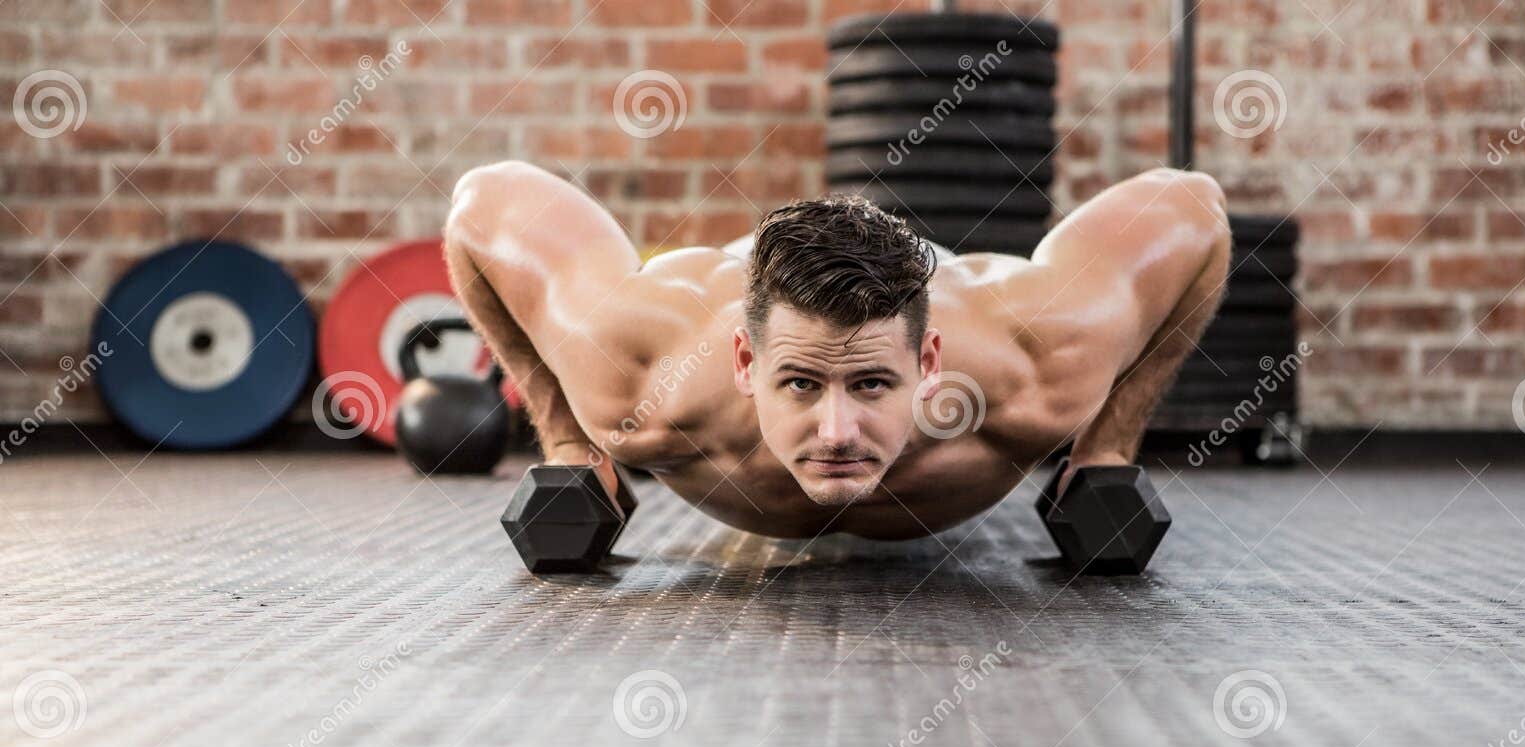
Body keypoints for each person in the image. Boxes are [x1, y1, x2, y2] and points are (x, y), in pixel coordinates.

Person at [444, 162, 1230, 540]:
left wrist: (1107, 447)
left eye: (871, 384)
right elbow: (481, 204)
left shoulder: (1040, 367)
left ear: (929, 365)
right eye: (799, 384)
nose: (837, 432)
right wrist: (568, 441)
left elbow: (1195, 211)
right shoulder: (639, 382)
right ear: (745, 363)